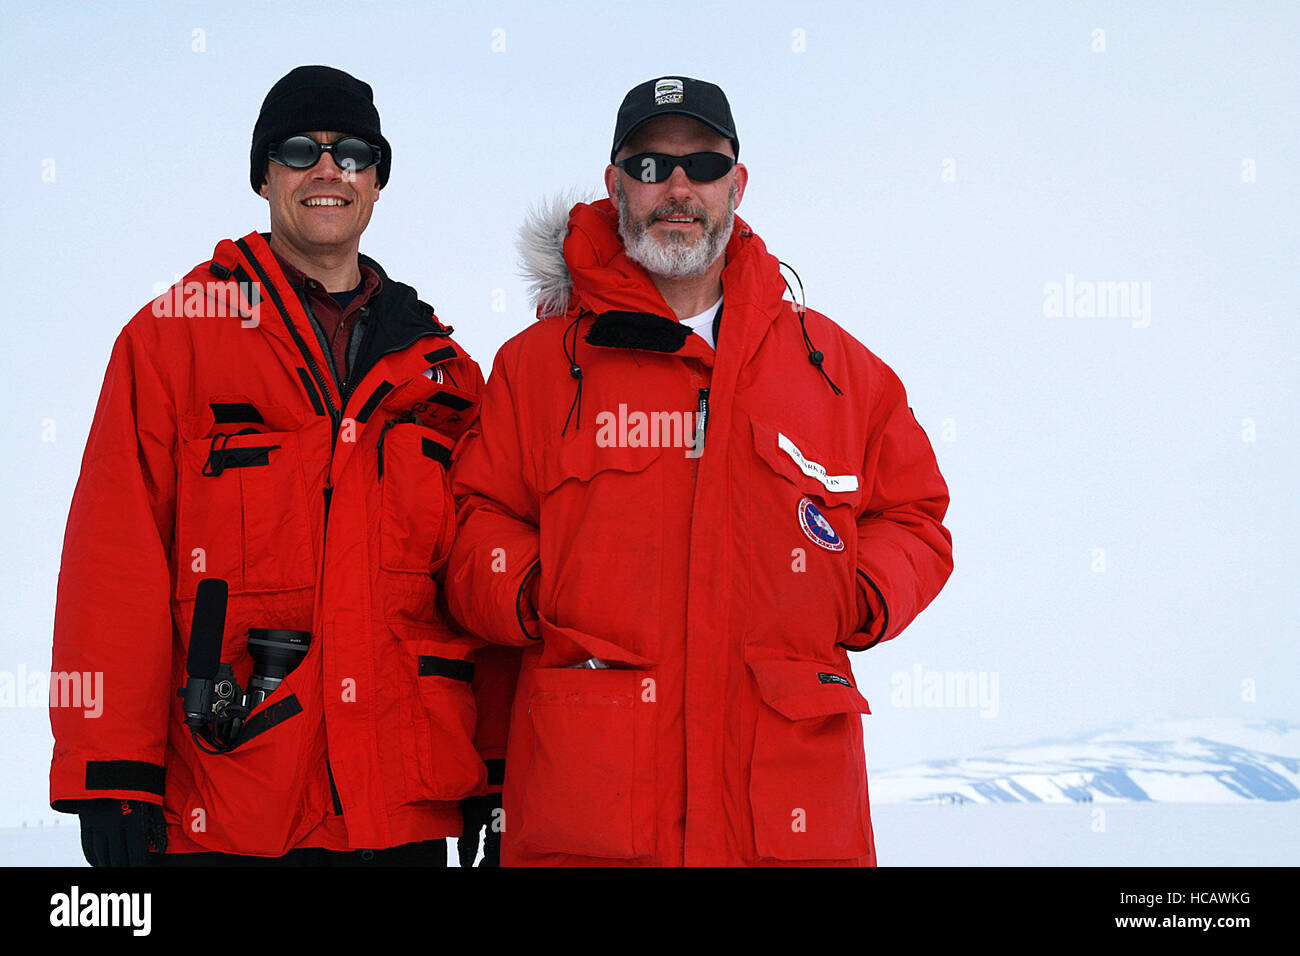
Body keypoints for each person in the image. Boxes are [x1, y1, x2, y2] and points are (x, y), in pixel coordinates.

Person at [445, 76, 954, 866]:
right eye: (650, 167)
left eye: (703, 167)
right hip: (589, 817)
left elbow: (915, 514)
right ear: (617, 186)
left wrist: (861, 595)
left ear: (737, 186)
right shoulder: (538, 368)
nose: (677, 189)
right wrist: (533, 591)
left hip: (788, 817)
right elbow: (474, 522)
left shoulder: (838, 371)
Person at [50, 65, 508, 866]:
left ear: (377, 182)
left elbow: (477, 579)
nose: (328, 169)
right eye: (300, 150)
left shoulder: (446, 374)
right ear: (264, 174)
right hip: (230, 801)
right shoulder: (173, 341)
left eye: (354, 154)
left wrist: (499, 774)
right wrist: (110, 772)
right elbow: (110, 558)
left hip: (401, 810)